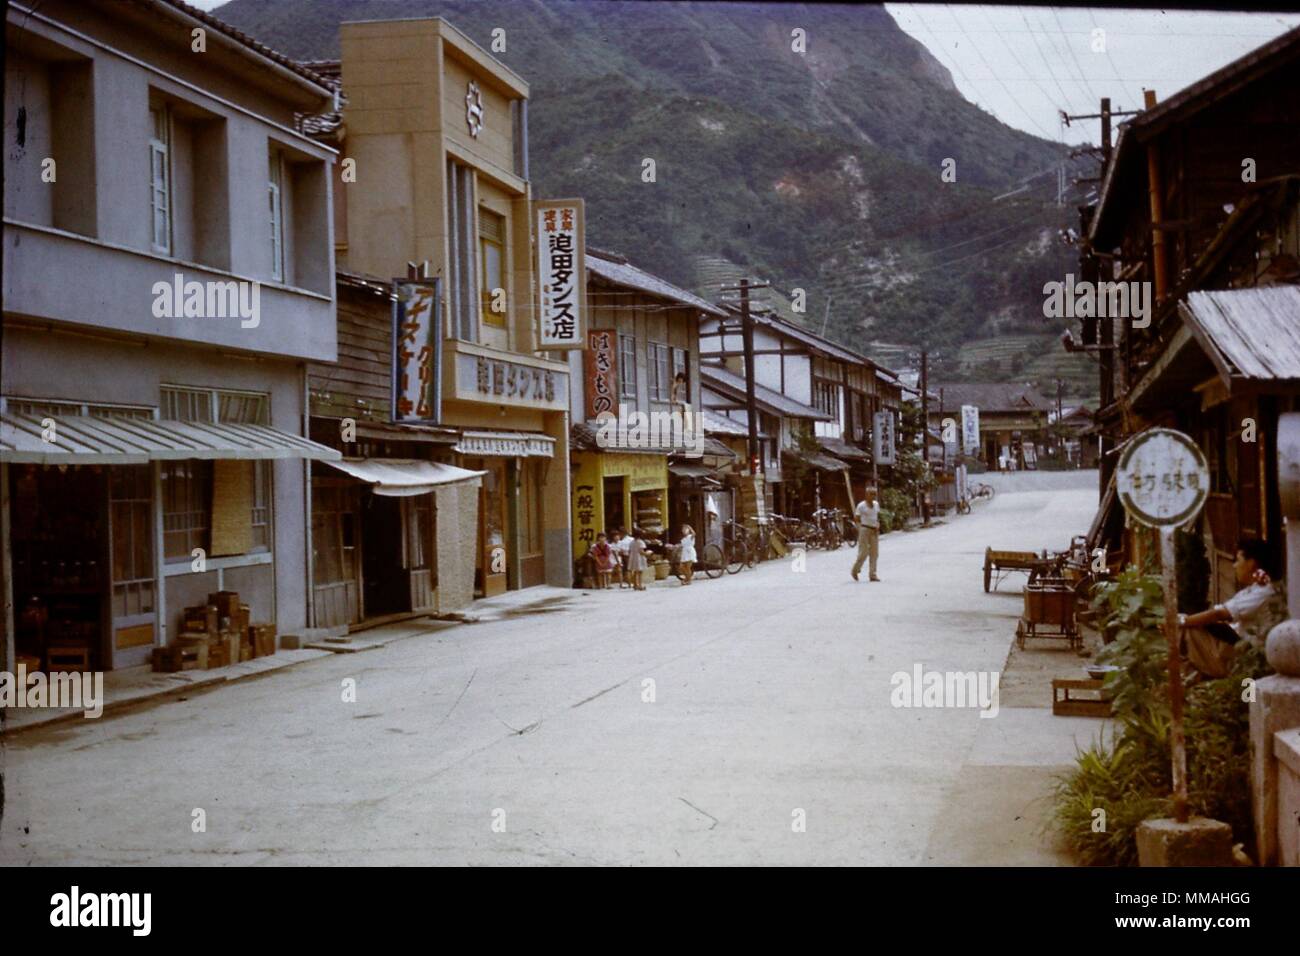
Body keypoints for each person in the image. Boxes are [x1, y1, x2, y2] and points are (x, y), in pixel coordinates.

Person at [1178, 538, 1287, 680]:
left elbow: (1218, 614)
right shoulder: (1254, 589)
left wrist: (1181, 621)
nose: (1234, 566)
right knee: (1188, 626)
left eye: (1238, 560)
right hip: (1240, 648)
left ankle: (1190, 676)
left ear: (1251, 563)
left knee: (1184, 629)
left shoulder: (1263, 592)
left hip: (1250, 658)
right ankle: (1190, 676)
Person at [851, 486, 881, 582]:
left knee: (874, 553)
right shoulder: (861, 505)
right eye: (871, 494)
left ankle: (873, 574)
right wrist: (860, 528)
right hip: (865, 529)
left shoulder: (876, 504)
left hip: (874, 530)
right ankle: (855, 570)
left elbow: (877, 516)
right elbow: (856, 518)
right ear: (866, 495)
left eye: (875, 494)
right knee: (863, 552)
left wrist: (877, 524)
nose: (873, 496)